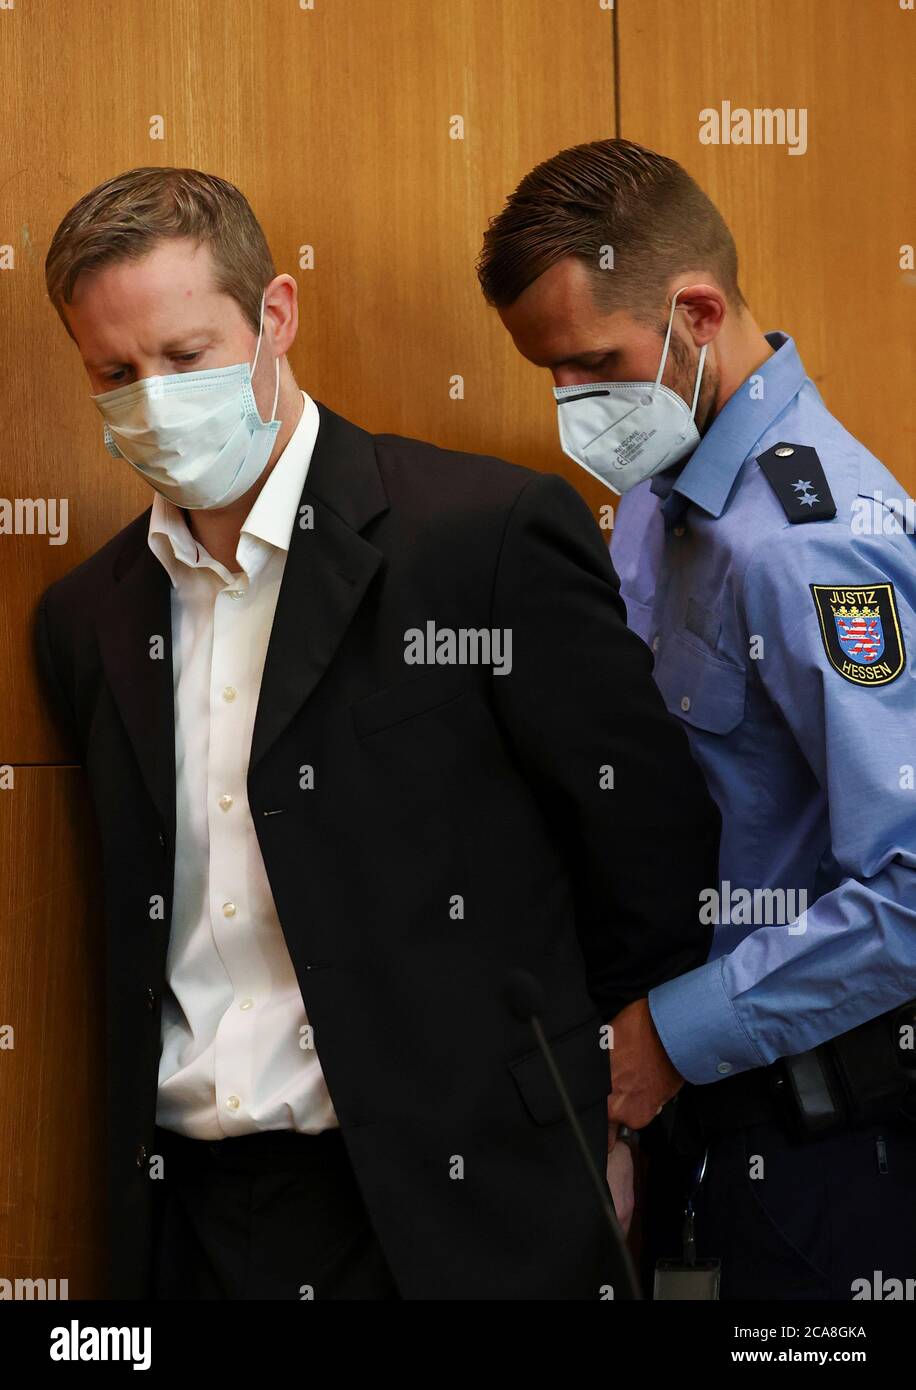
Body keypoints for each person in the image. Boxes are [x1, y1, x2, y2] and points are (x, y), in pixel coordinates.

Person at [34, 164, 719, 1300]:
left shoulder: (482, 536)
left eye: (186, 355)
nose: (152, 400)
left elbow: (648, 849)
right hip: (196, 1222)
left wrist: (608, 1110)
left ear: (275, 315)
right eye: (114, 372)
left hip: (459, 1215)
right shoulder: (87, 619)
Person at [478, 137, 916, 1300]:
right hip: (695, 1122)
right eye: (548, 377)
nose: (572, 407)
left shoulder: (814, 545)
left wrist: (671, 1036)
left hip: (820, 1141)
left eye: (590, 366)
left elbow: (912, 884)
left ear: (698, 313)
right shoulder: (654, 509)